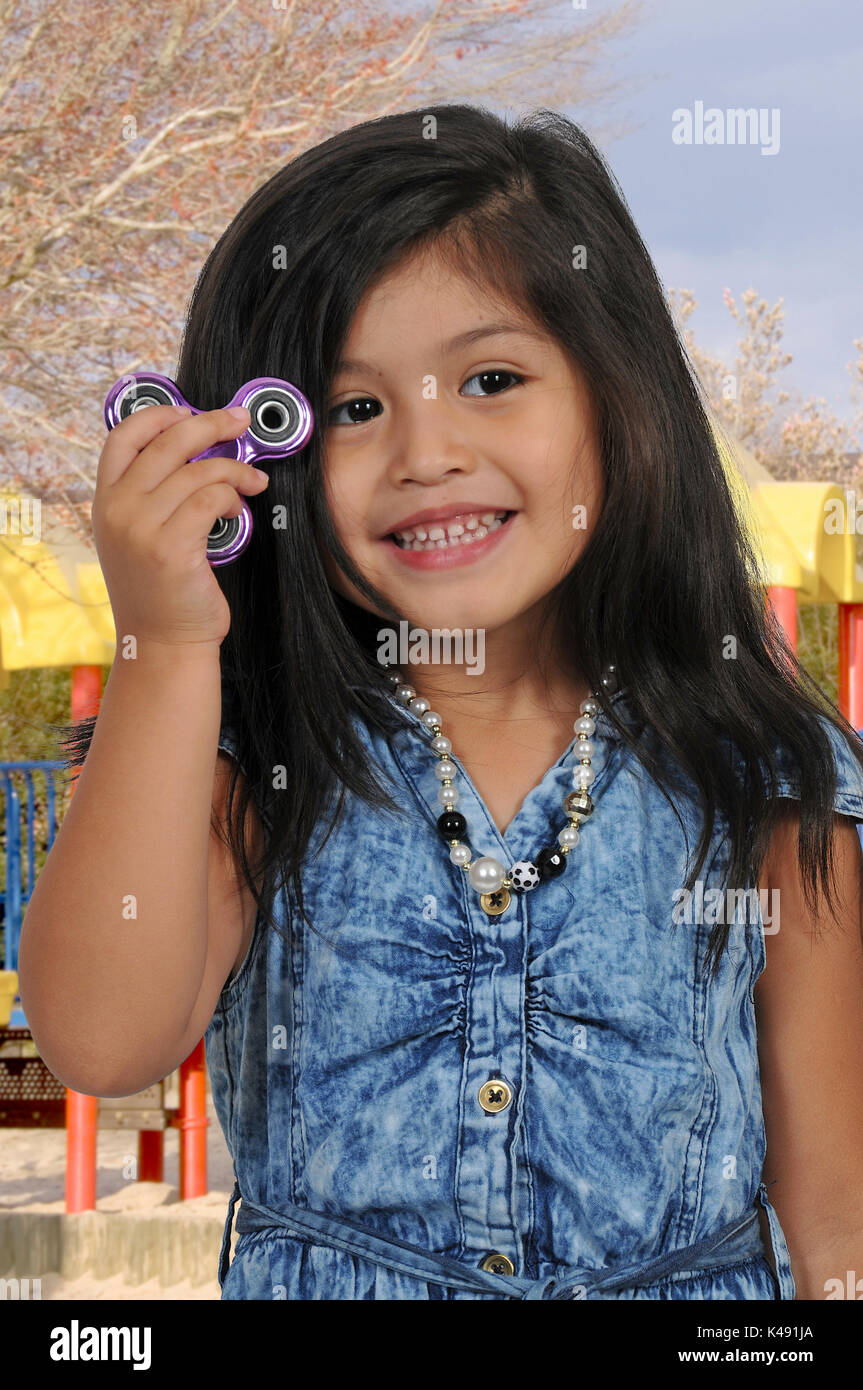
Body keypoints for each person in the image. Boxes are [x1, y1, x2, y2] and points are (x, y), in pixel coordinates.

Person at [19, 104, 863, 1301]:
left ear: (617, 397)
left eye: (489, 378)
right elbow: (100, 1042)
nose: (426, 450)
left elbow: (835, 1214)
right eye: (354, 409)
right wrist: (163, 639)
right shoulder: (258, 755)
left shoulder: (764, 767)